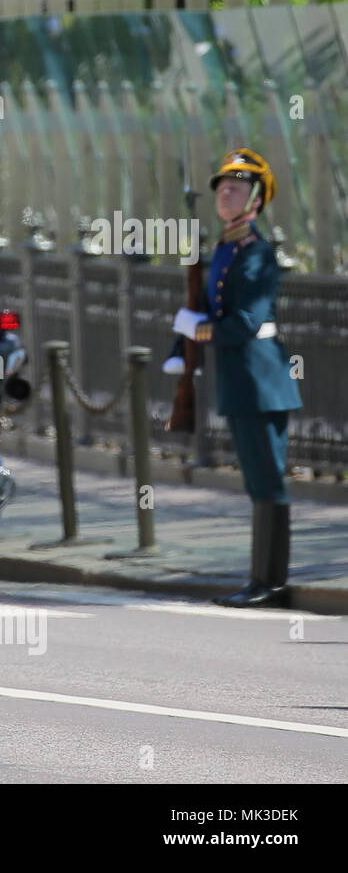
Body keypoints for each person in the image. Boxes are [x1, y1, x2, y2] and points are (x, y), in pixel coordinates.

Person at [172, 149, 302, 608]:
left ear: (257, 200)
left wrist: (198, 330)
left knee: (268, 482)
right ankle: (260, 579)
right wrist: (181, 345)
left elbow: (245, 322)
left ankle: (271, 582)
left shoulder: (258, 254)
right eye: (222, 186)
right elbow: (210, 307)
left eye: (237, 187)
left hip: (261, 380)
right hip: (239, 380)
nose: (225, 192)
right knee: (256, 482)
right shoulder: (227, 249)